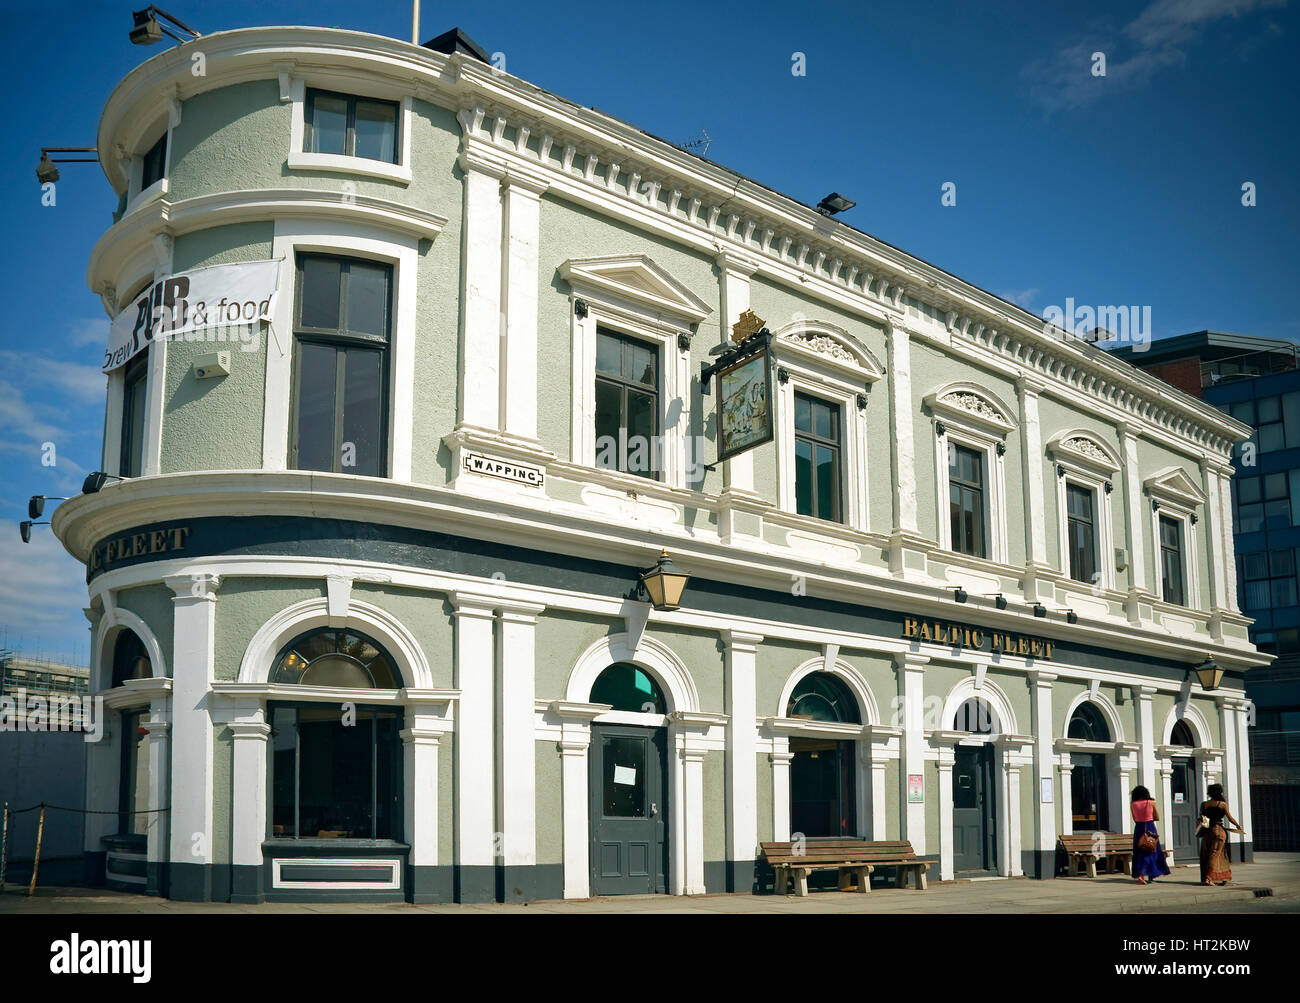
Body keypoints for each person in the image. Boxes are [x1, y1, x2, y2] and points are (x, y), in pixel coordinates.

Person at [1198, 783, 1241, 886]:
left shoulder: (1204, 804)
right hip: (1219, 831)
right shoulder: (1222, 804)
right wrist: (1238, 826)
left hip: (1207, 832)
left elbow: (1204, 822)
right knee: (1216, 854)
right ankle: (1209, 878)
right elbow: (1230, 818)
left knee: (1208, 854)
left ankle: (1221, 878)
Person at [1130, 785, 1170, 884]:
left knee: (1139, 851)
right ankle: (1152, 874)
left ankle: (1140, 874)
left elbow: (1134, 818)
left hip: (1139, 828)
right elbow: (1157, 817)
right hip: (1150, 826)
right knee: (1152, 850)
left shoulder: (1133, 804)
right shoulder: (1151, 802)